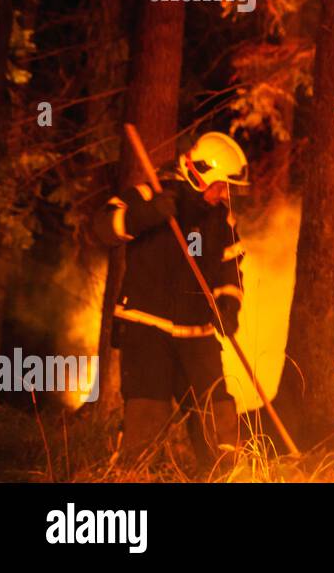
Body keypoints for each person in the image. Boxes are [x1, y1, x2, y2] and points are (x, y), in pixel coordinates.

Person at [94, 131, 249, 469]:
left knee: (216, 412)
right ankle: (134, 477)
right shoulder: (150, 194)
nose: (224, 193)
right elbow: (104, 228)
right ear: (199, 173)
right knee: (147, 414)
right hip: (146, 328)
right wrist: (148, 213)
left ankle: (225, 476)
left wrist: (228, 305)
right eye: (220, 185)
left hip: (198, 334)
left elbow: (231, 271)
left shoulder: (223, 220)